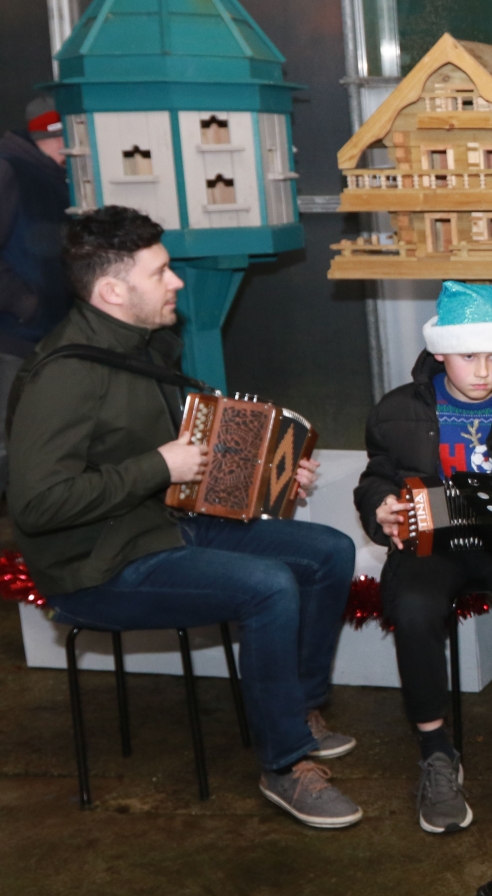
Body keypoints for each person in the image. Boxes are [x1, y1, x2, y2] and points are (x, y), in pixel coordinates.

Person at [8, 206, 359, 828]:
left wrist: (272, 477)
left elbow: (186, 461)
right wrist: (156, 467)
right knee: (270, 585)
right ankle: (285, 764)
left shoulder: (140, 347)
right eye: (161, 272)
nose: (176, 282)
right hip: (97, 565)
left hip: (158, 526)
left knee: (328, 551)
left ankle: (297, 711)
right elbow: (35, 505)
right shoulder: (63, 377)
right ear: (112, 291)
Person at [355, 282, 492, 833]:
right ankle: (435, 751)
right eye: (468, 356)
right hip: (432, 544)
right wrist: (381, 506)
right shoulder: (396, 411)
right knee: (415, 607)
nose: (483, 370)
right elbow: (377, 477)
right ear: (440, 353)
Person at [0, 95, 74, 486]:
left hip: (44, 336)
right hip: (13, 338)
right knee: (6, 446)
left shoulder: (50, 175)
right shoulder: (10, 170)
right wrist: (23, 302)